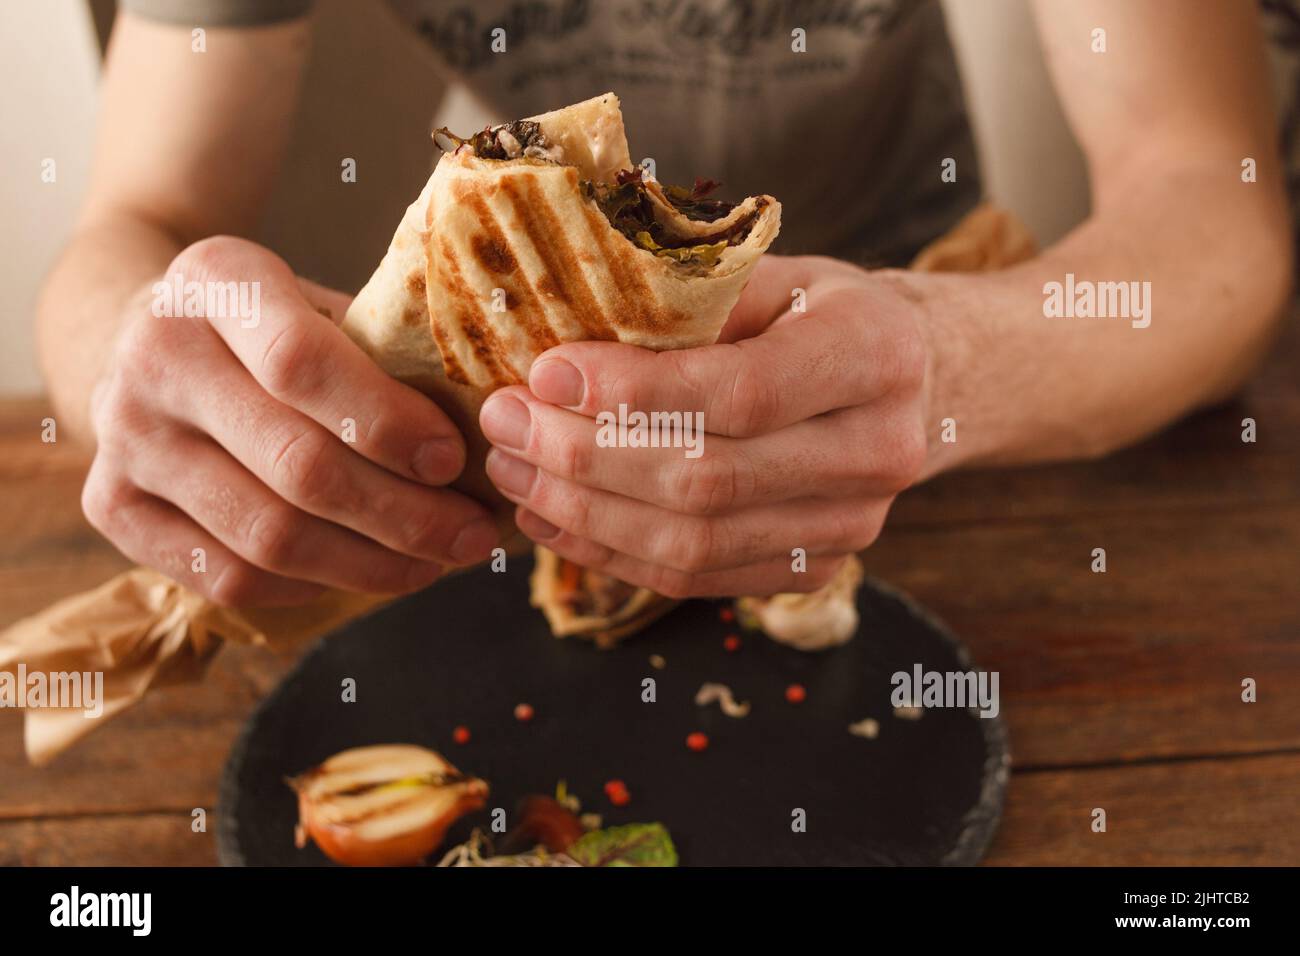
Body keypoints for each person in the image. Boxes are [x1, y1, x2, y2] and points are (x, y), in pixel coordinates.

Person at [37, 0, 1295, 607]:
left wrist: (949, 363)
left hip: (955, 438)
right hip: (538, 454)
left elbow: (1207, 199)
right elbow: (132, 226)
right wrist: (135, 360)